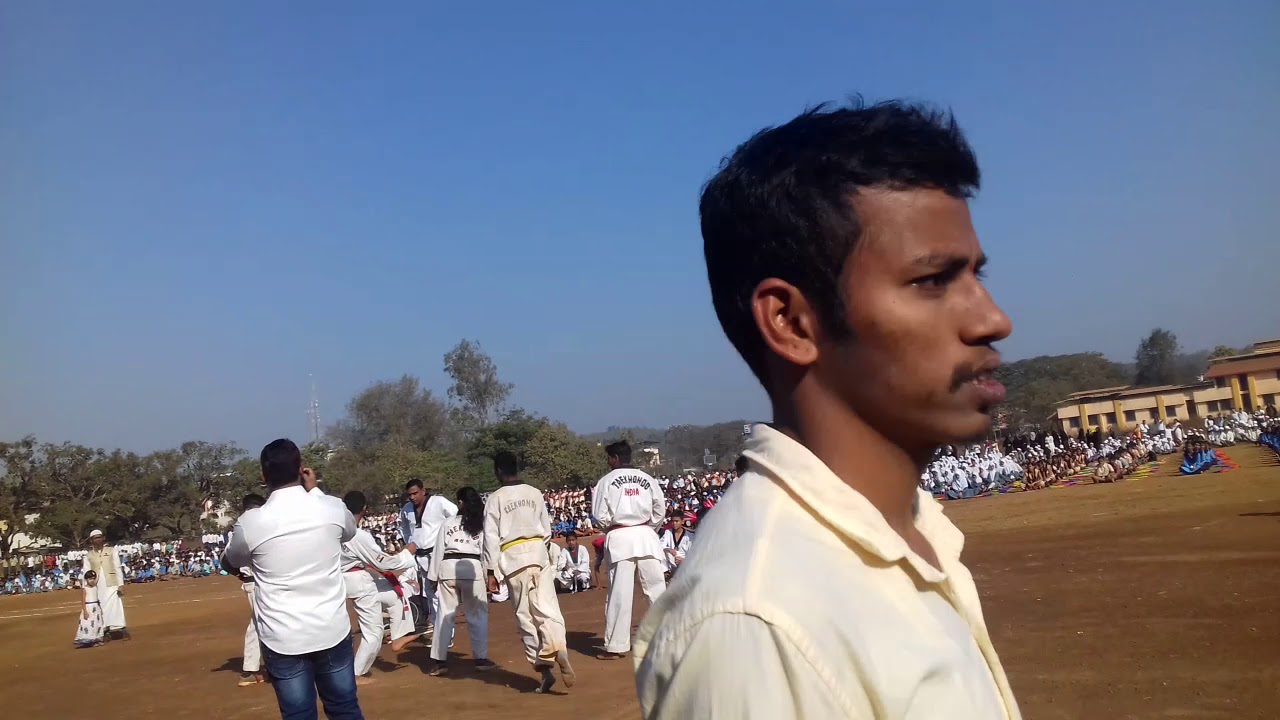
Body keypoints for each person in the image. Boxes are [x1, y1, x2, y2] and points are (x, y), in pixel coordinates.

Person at [632, 100, 1021, 719]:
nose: (992, 318)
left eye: (975, 274)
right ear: (790, 322)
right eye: (932, 281)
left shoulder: (902, 535)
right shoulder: (760, 624)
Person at [222, 439, 364, 720]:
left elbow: (230, 560)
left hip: (283, 637)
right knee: (344, 709)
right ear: (301, 469)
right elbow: (349, 532)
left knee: (298, 714)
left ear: (262, 476)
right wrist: (314, 491)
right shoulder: (331, 507)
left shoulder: (251, 522)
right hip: (330, 629)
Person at [482, 451, 575, 694]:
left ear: (498, 472)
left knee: (525, 616)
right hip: (538, 553)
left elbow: (491, 537)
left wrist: (490, 571)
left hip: (513, 558)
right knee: (547, 607)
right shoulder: (534, 493)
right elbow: (546, 530)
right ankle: (559, 648)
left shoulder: (495, 498)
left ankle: (543, 667)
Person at [591, 440, 667, 659]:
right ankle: (668, 639)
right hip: (646, 536)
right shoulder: (648, 479)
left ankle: (616, 646)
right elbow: (659, 509)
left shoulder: (606, 481)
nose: (608, 462)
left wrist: (614, 528)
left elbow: (599, 515)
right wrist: (648, 527)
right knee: (657, 591)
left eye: (609, 458)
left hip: (620, 537)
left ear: (614, 457)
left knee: (619, 595)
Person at [340, 491, 423, 684]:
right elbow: (385, 563)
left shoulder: (336, 531)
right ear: (365, 509)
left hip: (337, 581)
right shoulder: (357, 535)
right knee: (373, 632)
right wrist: (406, 553)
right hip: (358, 581)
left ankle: (399, 635)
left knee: (394, 596)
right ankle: (356, 672)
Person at [426, 486, 496, 676]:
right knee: (477, 615)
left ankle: (439, 662)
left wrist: (432, 576)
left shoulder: (448, 523)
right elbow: (487, 550)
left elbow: (438, 550)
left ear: (460, 503)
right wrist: (491, 574)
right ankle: (480, 659)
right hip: (472, 569)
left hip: (448, 568)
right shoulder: (481, 524)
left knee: (445, 615)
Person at [398, 478, 458, 631]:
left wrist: (449, 539)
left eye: (415, 493)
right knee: (430, 594)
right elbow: (404, 526)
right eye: (409, 494)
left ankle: (446, 631)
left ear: (423, 491)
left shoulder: (438, 502)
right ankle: (439, 629)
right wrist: (409, 541)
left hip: (437, 553)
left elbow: (456, 515)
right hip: (419, 555)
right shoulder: (406, 509)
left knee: (440, 593)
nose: (412, 497)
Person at [235, 493, 267, 687]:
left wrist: (238, 572)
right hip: (257, 581)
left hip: (252, 581)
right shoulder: (252, 527)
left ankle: (254, 668)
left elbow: (227, 558)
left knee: (260, 622)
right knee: (261, 623)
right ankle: (250, 670)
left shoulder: (241, 527)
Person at [82, 530, 128, 640]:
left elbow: (117, 567)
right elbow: (86, 573)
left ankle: (121, 628)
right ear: (91, 541)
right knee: (101, 607)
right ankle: (104, 629)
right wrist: (87, 587)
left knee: (116, 605)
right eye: (95, 538)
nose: (98, 540)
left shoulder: (112, 551)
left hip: (112, 583)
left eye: (99, 537)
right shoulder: (88, 556)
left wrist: (120, 584)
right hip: (97, 586)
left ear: (103, 538)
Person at [73, 570, 105, 648]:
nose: (92, 581)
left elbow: (97, 598)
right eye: (90, 579)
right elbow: (83, 601)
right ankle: (89, 640)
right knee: (89, 624)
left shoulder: (95, 587)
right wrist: (85, 612)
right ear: (86, 580)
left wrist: (100, 608)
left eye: (93, 579)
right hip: (89, 608)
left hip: (96, 607)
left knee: (97, 624)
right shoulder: (85, 589)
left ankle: (96, 639)